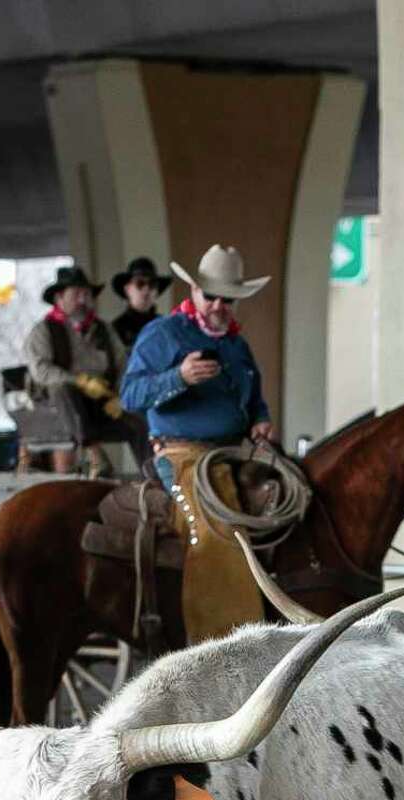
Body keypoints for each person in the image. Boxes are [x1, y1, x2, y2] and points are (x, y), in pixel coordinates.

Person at [120, 243, 279, 642]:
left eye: (228, 299)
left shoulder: (237, 346)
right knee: (214, 533)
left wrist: (261, 419)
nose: (218, 306)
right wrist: (179, 377)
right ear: (194, 291)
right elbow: (130, 396)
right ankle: (221, 644)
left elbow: (254, 399)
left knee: (293, 502)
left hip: (235, 451)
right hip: (180, 453)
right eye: (211, 296)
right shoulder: (162, 334)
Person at [21, 264, 147, 474]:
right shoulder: (43, 331)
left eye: (87, 294)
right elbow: (41, 371)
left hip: (101, 402)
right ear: (59, 297)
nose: (83, 300)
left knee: (140, 421)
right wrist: (80, 382)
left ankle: (154, 476)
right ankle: (94, 454)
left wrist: (120, 395)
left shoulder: (104, 330)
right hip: (58, 407)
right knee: (62, 389)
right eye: (76, 294)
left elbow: (123, 365)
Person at [109, 255, 171, 348]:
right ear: (127, 289)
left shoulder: (165, 325)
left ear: (157, 290)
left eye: (152, 284)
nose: (146, 289)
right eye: (140, 283)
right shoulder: (114, 330)